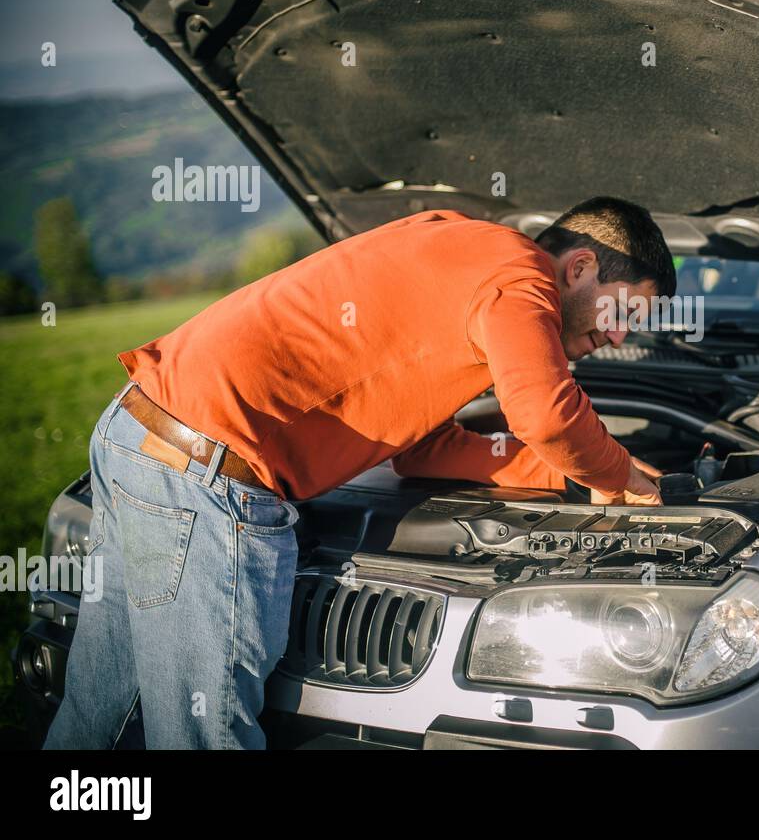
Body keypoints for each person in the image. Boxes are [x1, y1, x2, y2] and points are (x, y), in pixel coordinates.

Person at [44, 196, 673, 749]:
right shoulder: (521, 273)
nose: (620, 338)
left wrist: (561, 476)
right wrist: (625, 477)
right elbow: (547, 413)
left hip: (139, 433)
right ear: (581, 266)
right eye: (626, 314)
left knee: (104, 717)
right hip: (208, 472)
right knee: (207, 731)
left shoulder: (460, 245)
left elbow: (421, 450)